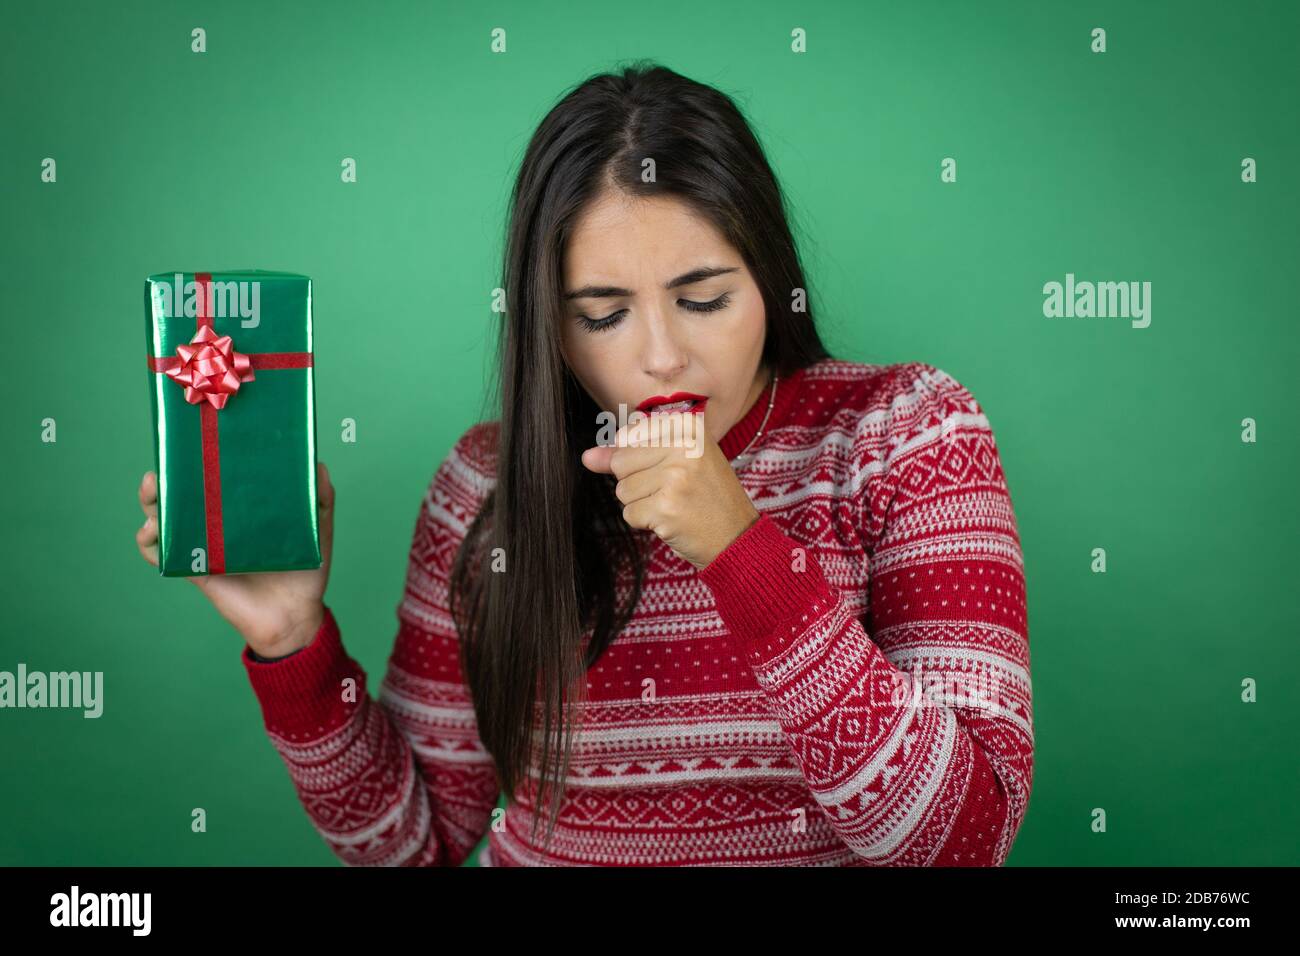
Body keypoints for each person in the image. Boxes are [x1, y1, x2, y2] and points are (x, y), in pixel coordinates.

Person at [135, 61, 1033, 866]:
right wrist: (293, 645)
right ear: (547, 327)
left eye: (705, 298)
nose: (661, 358)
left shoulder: (906, 433)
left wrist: (742, 550)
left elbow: (963, 843)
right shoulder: (483, 490)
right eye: (602, 315)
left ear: (769, 275)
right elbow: (421, 846)